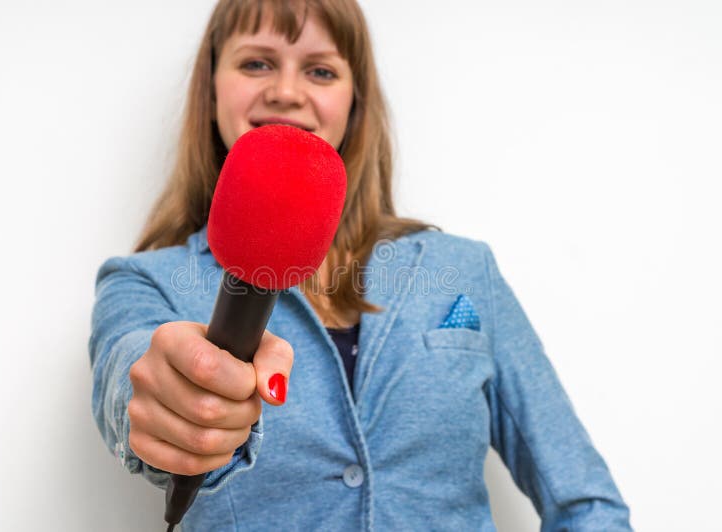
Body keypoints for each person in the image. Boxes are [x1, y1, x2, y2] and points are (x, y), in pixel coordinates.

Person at [89, 0, 632, 529]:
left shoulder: (463, 269)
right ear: (210, 92)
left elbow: (586, 502)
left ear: (355, 103)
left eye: (321, 71)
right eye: (256, 63)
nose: (286, 91)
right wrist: (168, 398)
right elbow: (130, 370)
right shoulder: (143, 282)